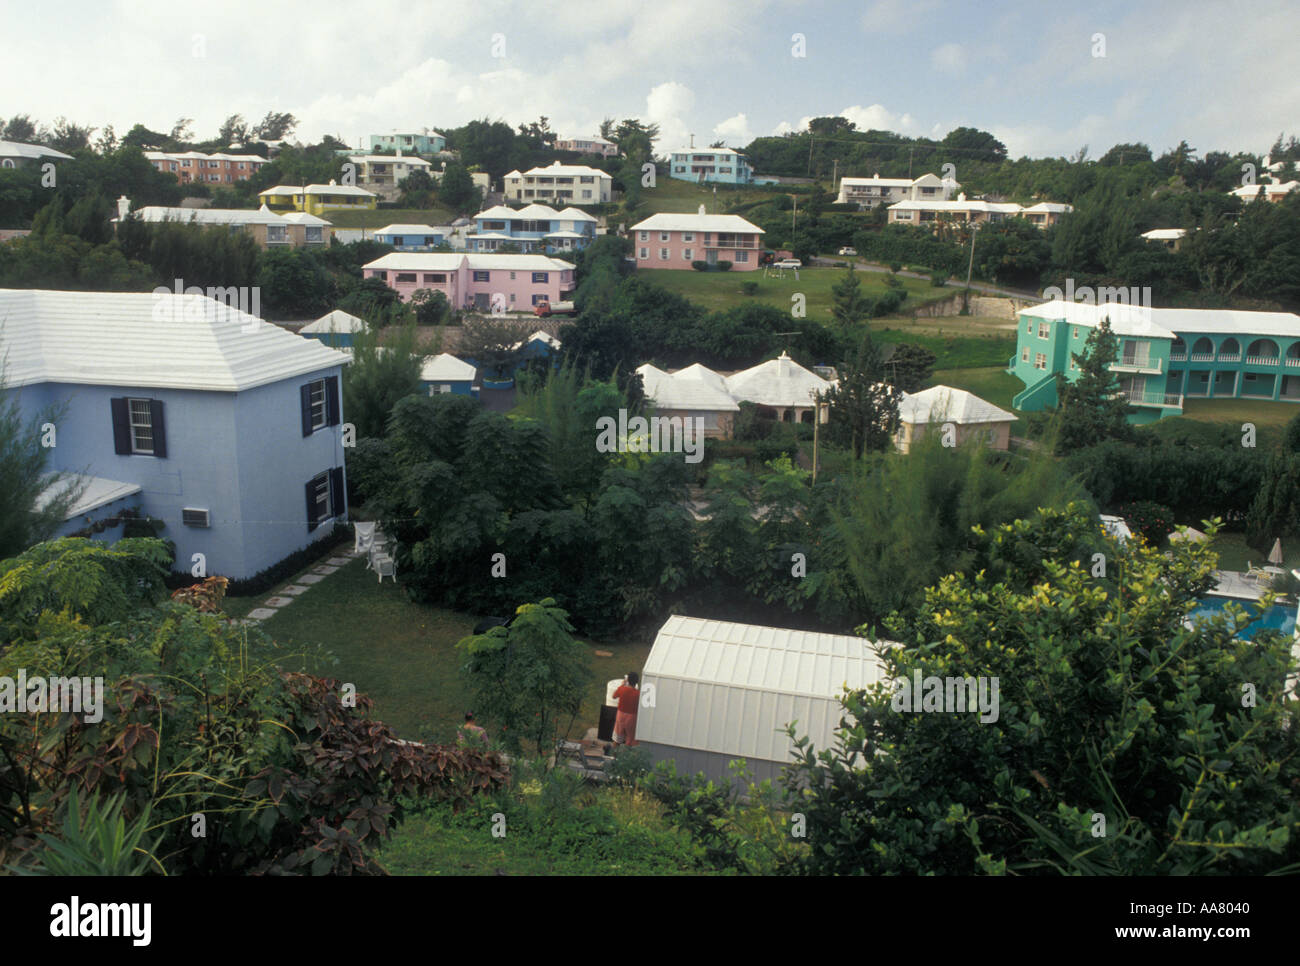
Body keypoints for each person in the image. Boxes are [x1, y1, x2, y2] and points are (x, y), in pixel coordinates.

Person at [611, 672, 640, 747]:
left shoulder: (622, 689)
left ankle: (613, 756)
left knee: (617, 739)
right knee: (630, 740)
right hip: (632, 718)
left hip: (620, 715)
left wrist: (622, 684)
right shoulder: (638, 694)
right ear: (637, 682)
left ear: (627, 680)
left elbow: (613, 696)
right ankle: (627, 757)